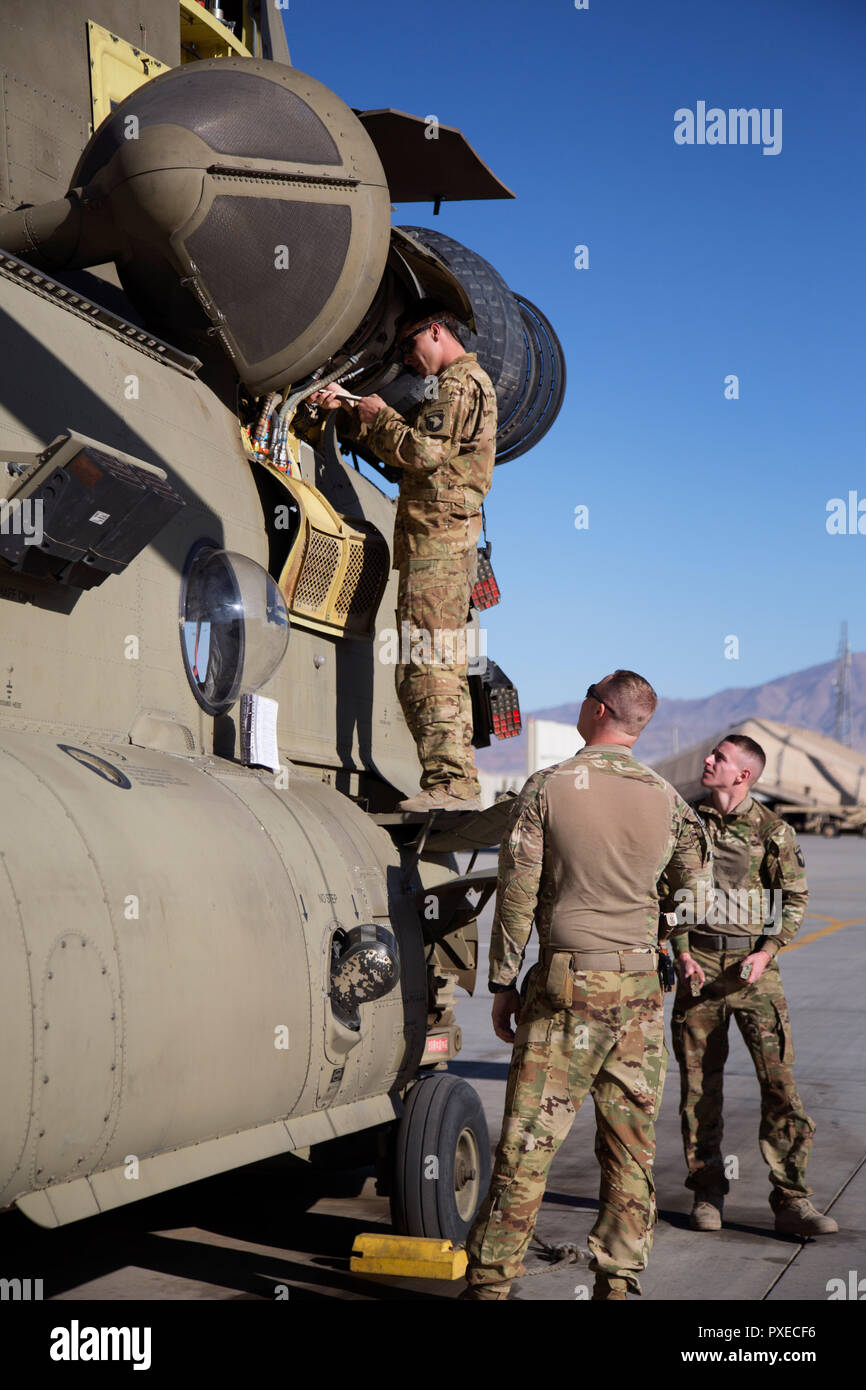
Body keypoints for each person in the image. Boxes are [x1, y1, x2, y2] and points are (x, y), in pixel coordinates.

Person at [461, 671, 712, 1300]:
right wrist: (655, 922)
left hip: (566, 987)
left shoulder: (549, 787)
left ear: (598, 709)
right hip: (639, 993)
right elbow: (697, 892)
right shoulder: (665, 796)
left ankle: (492, 1284)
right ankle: (619, 1283)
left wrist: (502, 982)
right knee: (630, 1149)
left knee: (527, 1143)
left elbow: (516, 894)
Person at [310, 302, 497, 812]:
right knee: (439, 662)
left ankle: (450, 784)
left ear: (436, 331)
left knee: (425, 663)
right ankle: (456, 781)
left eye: (411, 345)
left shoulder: (458, 384)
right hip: (439, 542)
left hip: (436, 544)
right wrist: (355, 408)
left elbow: (422, 453)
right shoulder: (459, 385)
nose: (409, 360)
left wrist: (378, 414)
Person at [670, 734, 837, 1236]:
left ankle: (791, 1200)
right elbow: (665, 890)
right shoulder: (685, 822)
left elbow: (794, 899)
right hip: (698, 969)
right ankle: (707, 1193)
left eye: (719, 757)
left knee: (780, 1086)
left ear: (742, 775)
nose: (708, 759)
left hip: (753, 972)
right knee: (699, 1090)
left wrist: (767, 952)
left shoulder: (773, 830)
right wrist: (678, 952)